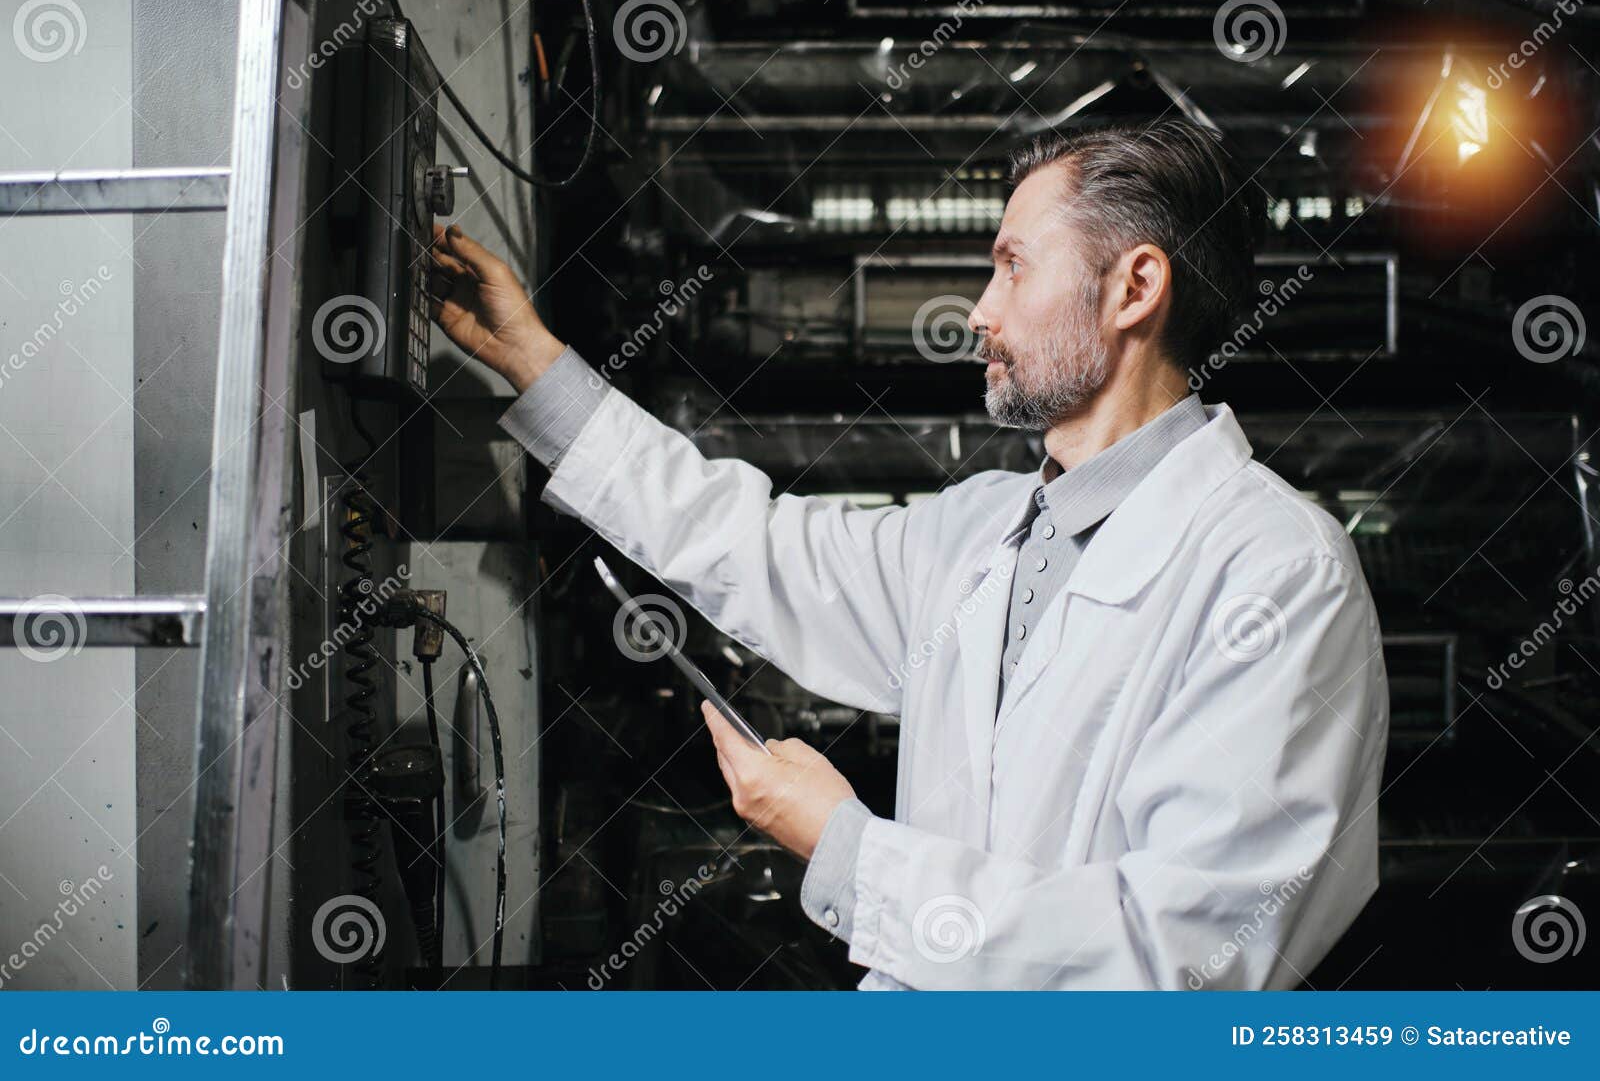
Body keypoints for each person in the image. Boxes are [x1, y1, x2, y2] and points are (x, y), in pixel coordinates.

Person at [428, 118, 1390, 989]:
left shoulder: (1275, 573)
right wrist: (535, 367)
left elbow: (1185, 958)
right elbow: (747, 542)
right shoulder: (978, 531)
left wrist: (851, 853)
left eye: (1013, 265)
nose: (980, 310)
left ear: (1135, 287)